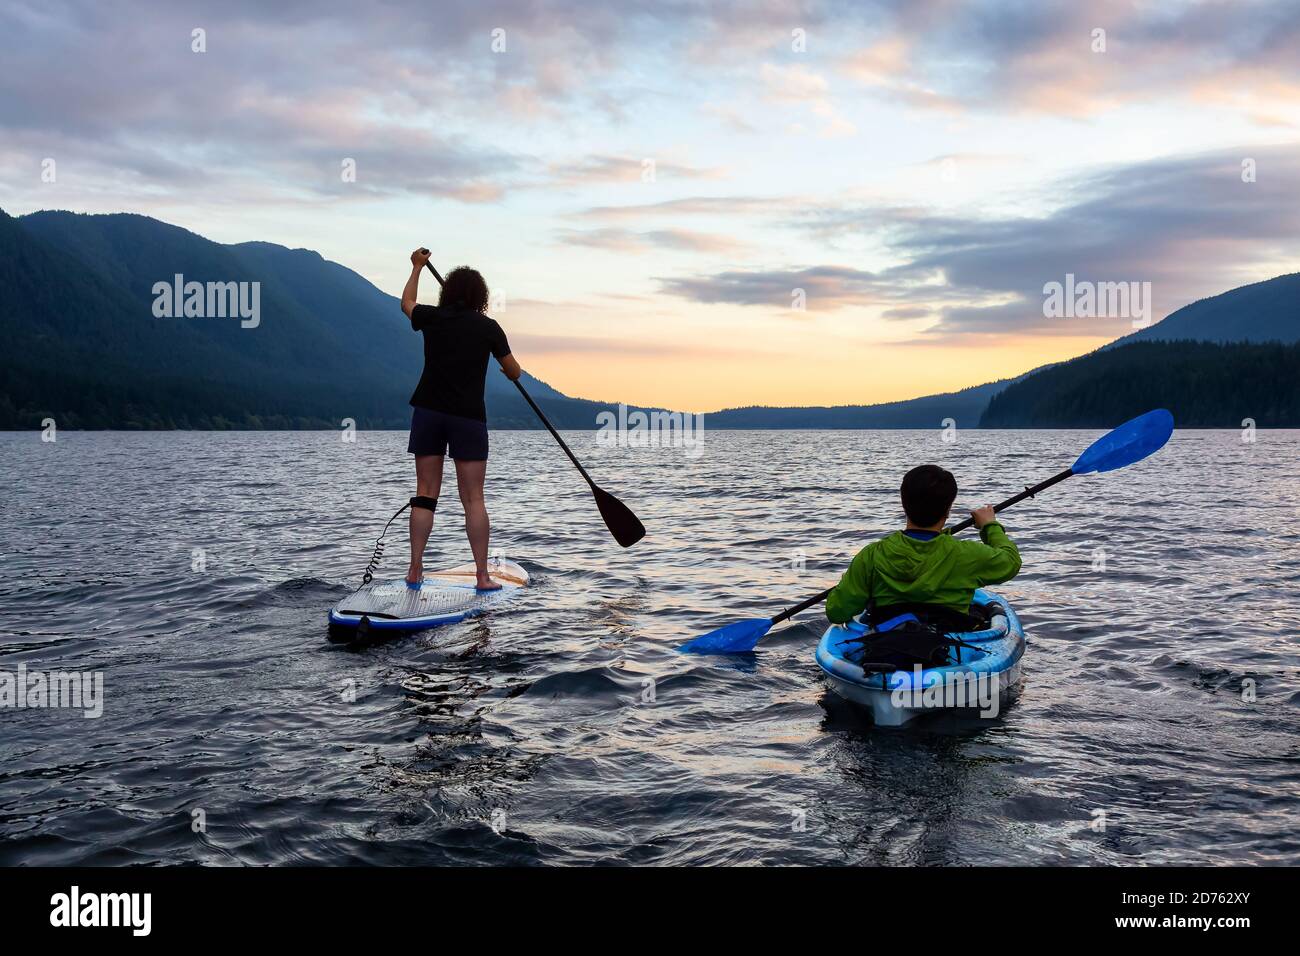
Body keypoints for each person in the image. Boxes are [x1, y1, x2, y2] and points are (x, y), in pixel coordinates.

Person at [399, 248, 522, 591]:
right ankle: (483, 577)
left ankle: (414, 570)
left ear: (447, 292)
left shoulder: (432, 318)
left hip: (428, 411)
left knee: (425, 494)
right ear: (480, 296)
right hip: (468, 418)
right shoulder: (489, 328)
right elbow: (514, 371)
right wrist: (504, 365)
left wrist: (417, 268)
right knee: (473, 499)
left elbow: (406, 303)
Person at [826, 464, 1021, 629]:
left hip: (887, 649)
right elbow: (1010, 561)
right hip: (949, 649)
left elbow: (837, 612)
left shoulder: (871, 556)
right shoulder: (968, 554)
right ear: (948, 509)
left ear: (904, 504)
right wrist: (989, 526)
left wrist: (847, 584)